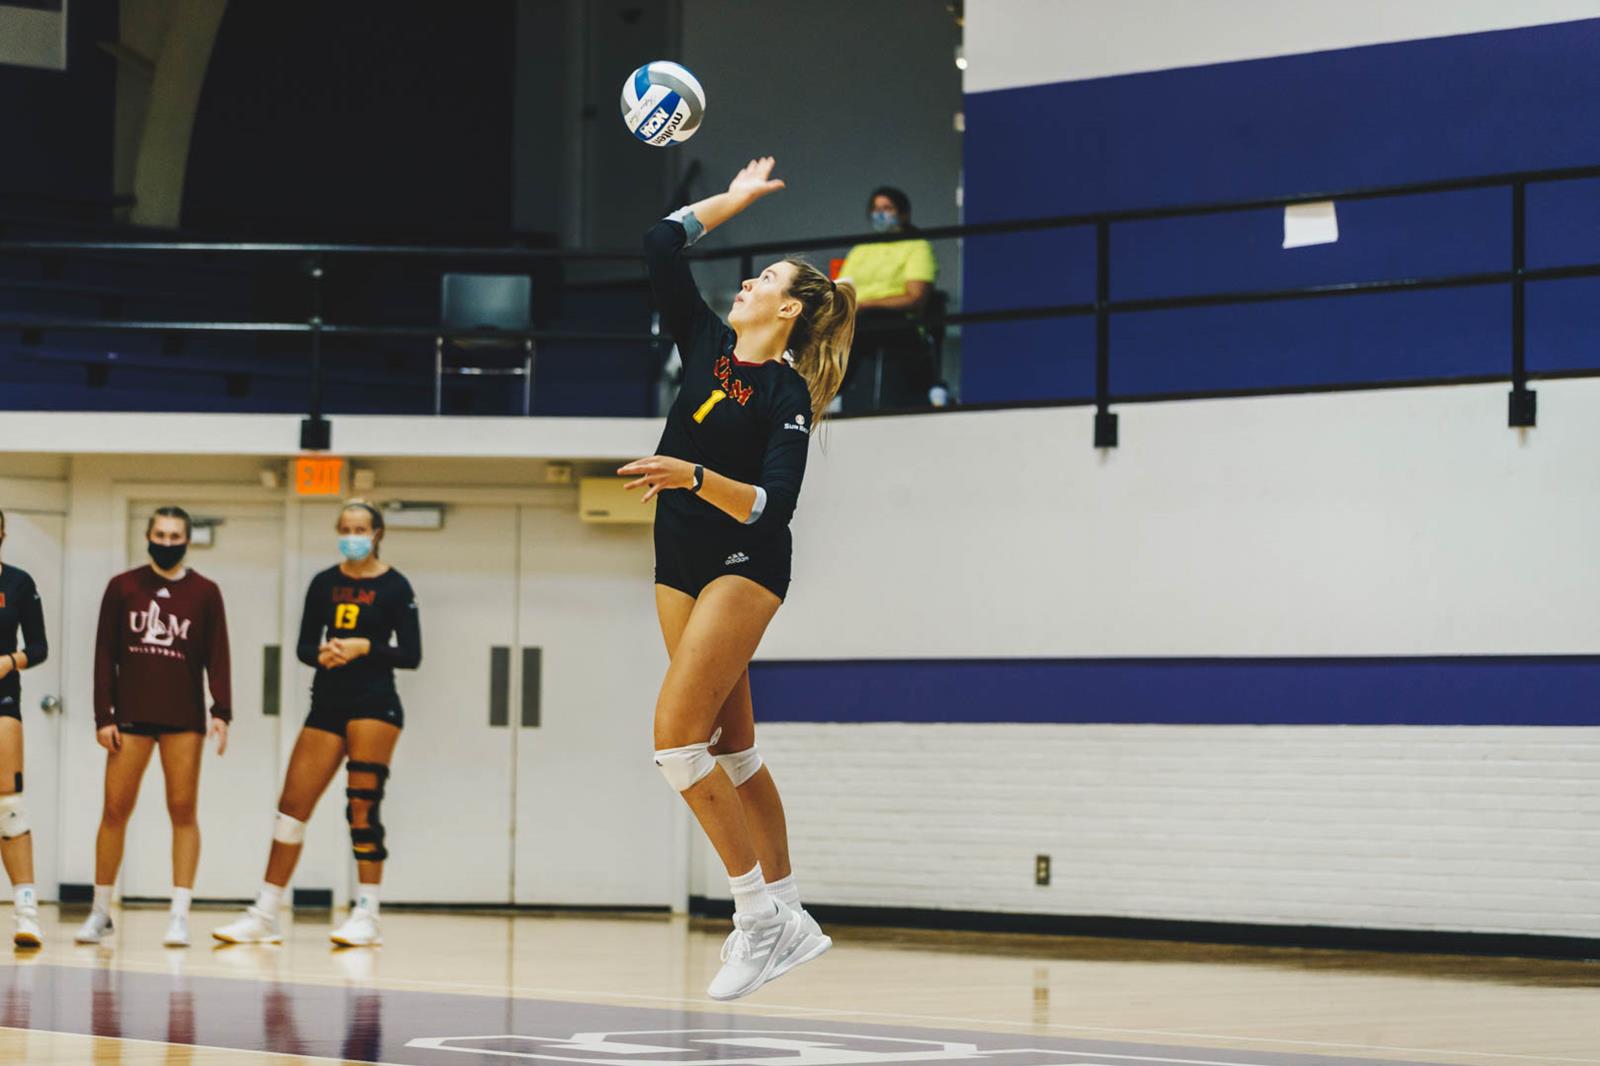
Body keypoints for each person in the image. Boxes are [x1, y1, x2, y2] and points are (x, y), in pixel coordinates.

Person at [618, 157, 855, 1001]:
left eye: (766, 279)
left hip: (745, 561)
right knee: (732, 747)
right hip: (678, 554)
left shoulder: (788, 396)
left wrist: (690, 475)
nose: (748, 282)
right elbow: (659, 244)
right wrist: (735, 201)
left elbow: (771, 506)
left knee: (676, 743)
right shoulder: (706, 341)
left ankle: (757, 917)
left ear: (789, 310)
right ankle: (793, 911)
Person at [213, 500, 420, 948]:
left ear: (377, 533)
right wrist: (322, 654)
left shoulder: (395, 586)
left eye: (360, 529)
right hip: (327, 702)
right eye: (345, 528)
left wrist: (366, 647)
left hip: (375, 703)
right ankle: (265, 913)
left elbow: (411, 654)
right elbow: (305, 645)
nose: (352, 536)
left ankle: (367, 914)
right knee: (291, 809)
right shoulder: (324, 583)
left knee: (362, 807)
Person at [77, 506, 232, 948]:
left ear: (187, 540)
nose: (166, 542)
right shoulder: (123, 586)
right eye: (160, 535)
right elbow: (104, 654)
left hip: (184, 717)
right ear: (148, 537)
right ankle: (100, 911)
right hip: (130, 717)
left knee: (183, 810)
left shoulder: (206, 592)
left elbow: (217, 654)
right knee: (114, 810)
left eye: (174, 535)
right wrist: (103, 715)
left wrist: (222, 710)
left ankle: (179, 914)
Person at [835, 186, 939, 411]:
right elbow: (841, 289)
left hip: (897, 320)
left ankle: (837, 392)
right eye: (876, 209)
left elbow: (915, 296)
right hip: (856, 315)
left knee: (859, 326)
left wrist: (866, 304)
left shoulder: (917, 247)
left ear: (903, 213)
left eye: (887, 208)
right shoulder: (861, 249)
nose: (880, 213)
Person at [0, 508, 48, 947]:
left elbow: (38, 646)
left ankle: (27, 914)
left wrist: (9, 661)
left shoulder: (18, 583)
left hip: (2, 698)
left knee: (10, 805)